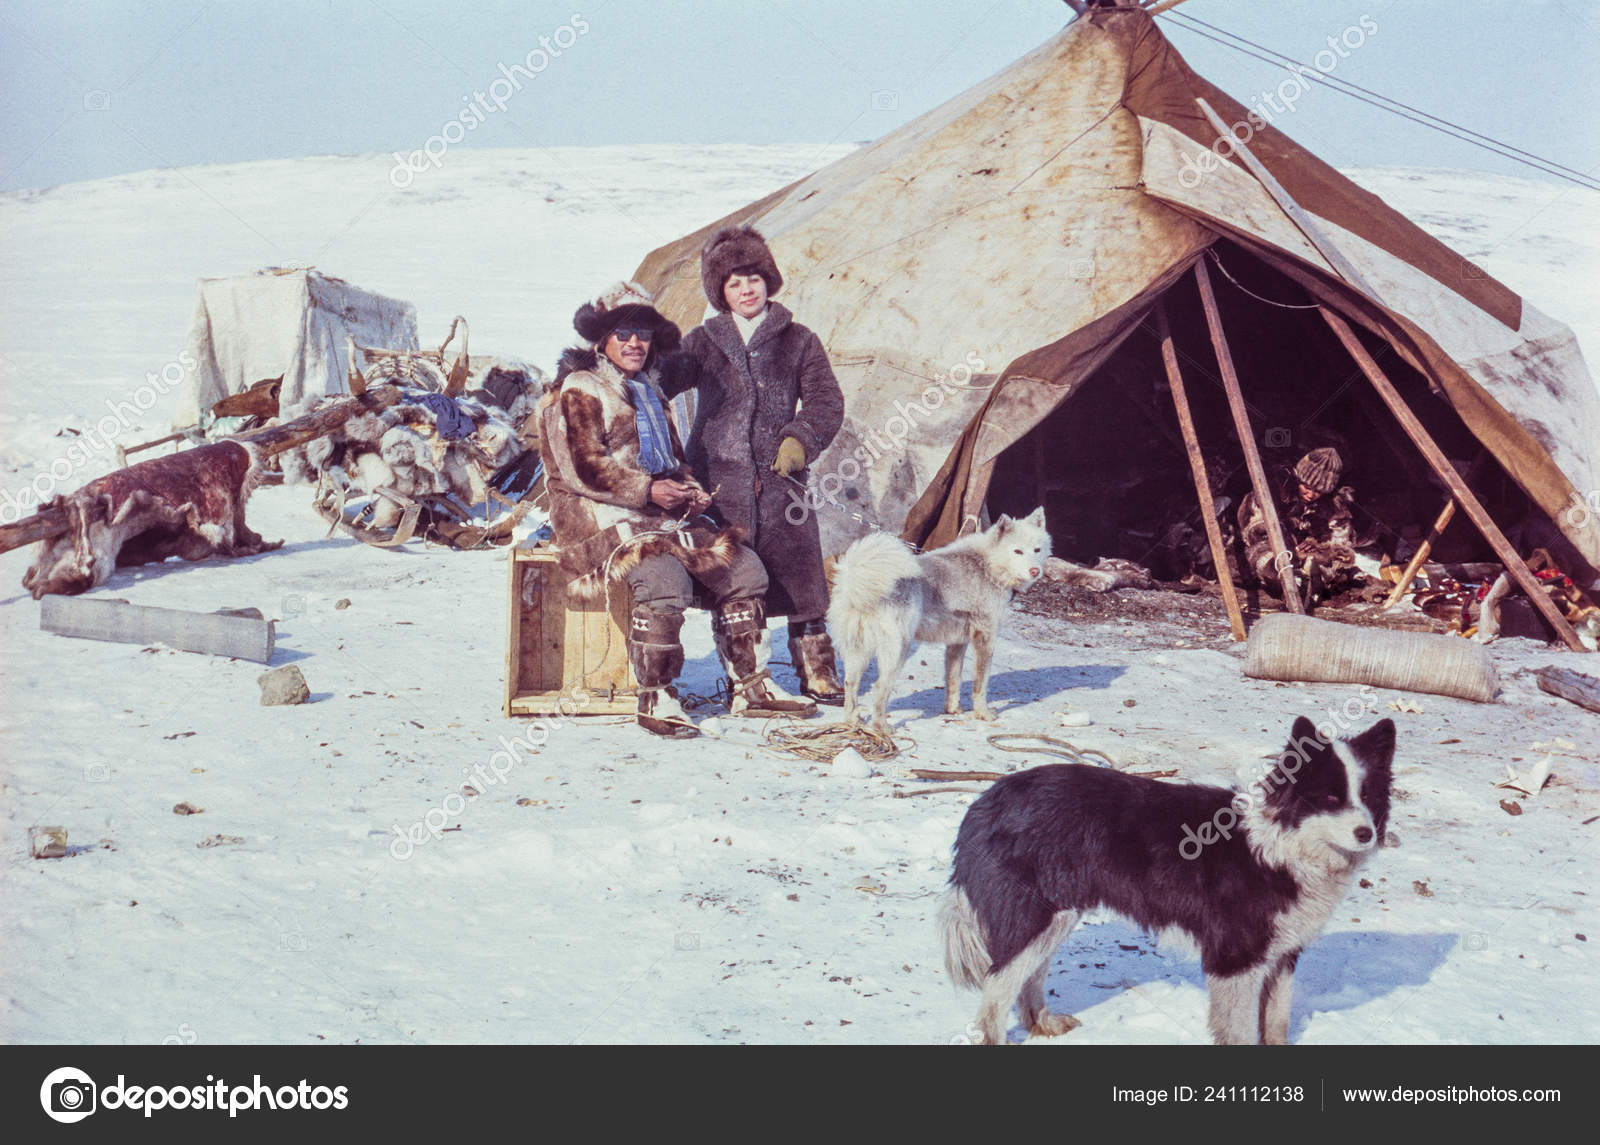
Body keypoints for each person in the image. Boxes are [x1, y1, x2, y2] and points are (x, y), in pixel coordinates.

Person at [538, 281, 816, 738]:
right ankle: (657, 694)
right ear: (602, 340)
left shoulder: (647, 391)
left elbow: (673, 460)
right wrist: (649, 490)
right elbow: (582, 470)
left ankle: (750, 685)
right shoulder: (580, 389)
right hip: (598, 520)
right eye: (624, 333)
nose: (634, 343)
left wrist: (688, 491)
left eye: (643, 334)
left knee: (745, 568)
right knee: (665, 580)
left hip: (656, 516)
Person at [658, 225, 848, 703]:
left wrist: (800, 440)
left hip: (782, 482)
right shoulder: (702, 341)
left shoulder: (800, 340)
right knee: (733, 578)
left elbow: (826, 401)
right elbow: (661, 383)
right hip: (716, 483)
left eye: (754, 279)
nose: (746, 290)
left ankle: (817, 669)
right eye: (734, 283)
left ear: (769, 282)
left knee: (802, 580)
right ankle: (745, 673)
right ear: (721, 292)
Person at [1237, 446, 1364, 606]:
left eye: (1318, 491)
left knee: (1332, 564)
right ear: (1298, 479)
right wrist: (1289, 553)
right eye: (1307, 487)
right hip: (1269, 547)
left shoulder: (1332, 507)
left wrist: (1318, 551)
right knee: (1263, 559)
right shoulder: (1273, 493)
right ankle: (1284, 580)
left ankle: (1308, 584)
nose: (1310, 495)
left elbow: (1340, 542)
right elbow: (1256, 531)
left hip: (1303, 555)